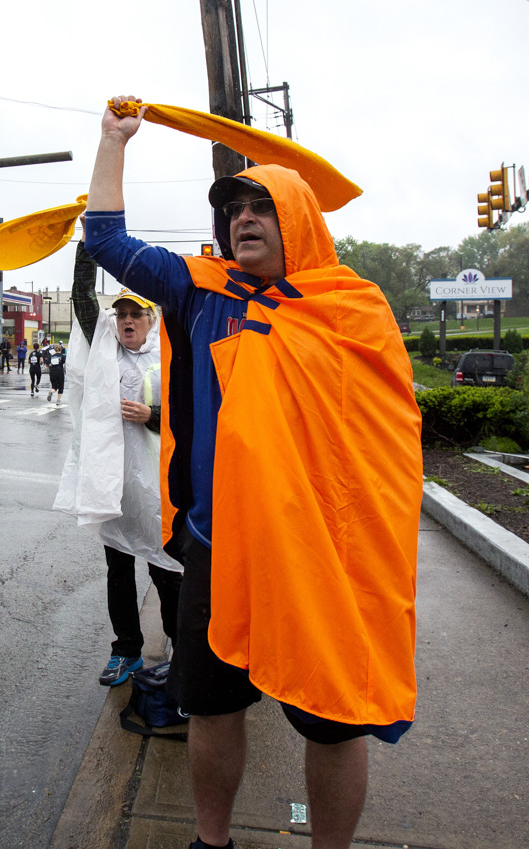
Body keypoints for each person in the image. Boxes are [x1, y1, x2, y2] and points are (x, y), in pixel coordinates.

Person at [85, 95, 421, 849]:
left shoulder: (351, 310)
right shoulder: (199, 291)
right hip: (217, 546)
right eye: (233, 209)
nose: (243, 218)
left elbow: (385, 443)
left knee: (333, 718)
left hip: (316, 553)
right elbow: (105, 238)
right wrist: (113, 141)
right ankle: (212, 841)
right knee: (210, 706)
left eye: (261, 206)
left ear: (297, 219)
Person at [65, 237, 184, 686]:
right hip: (114, 487)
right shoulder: (104, 350)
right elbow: (81, 295)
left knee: (166, 570)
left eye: (136, 313)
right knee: (118, 571)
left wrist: (152, 415)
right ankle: (126, 651)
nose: (127, 320)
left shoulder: (172, 355)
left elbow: (195, 413)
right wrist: (88, 240)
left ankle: (180, 654)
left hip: (157, 488)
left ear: (153, 319)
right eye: (121, 314)